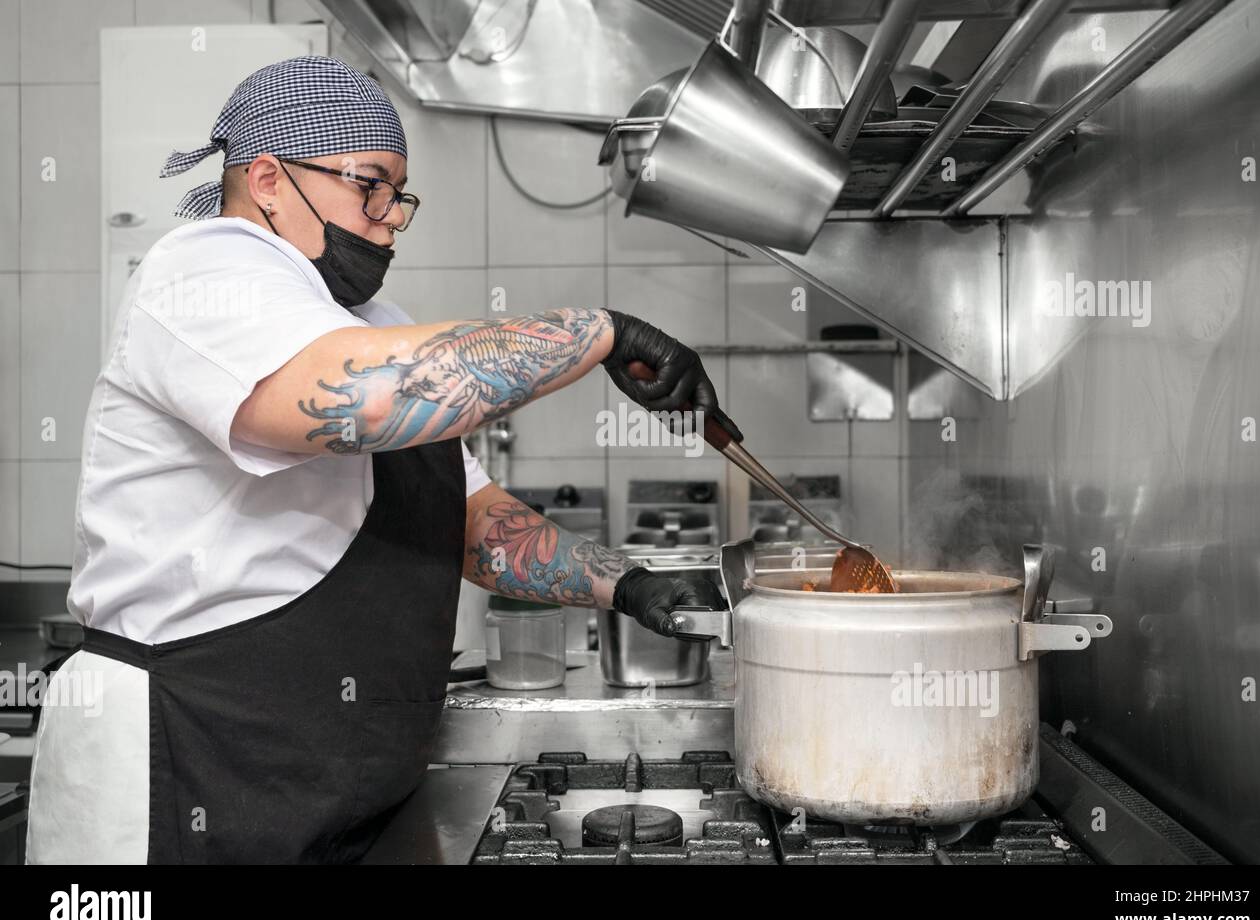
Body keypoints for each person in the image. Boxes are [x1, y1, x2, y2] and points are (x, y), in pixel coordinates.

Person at [24, 55, 734, 864]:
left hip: (322, 789)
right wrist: (599, 333)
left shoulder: (362, 320)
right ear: (266, 179)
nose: (391, 217)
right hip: (186, 762)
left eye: (399, 195)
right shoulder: (202, 273)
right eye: (370, 186)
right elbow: (372, 396)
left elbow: (472, 521)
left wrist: (628, 584)